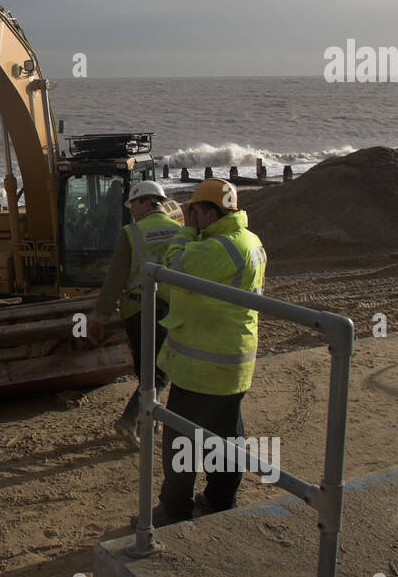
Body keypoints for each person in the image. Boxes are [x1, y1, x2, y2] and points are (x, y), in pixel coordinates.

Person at [152, 177, 267, 526]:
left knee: (180, 442)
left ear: (208, 212)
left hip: (202, 365)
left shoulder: (216, 249)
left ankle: (175, 510)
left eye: (194, 211)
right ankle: (219, 500)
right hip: (235, 362)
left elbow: (172, 264)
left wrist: (185, 232)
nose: (190, 216)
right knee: (226, 436)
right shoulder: (250, 240)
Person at [88, 180, 182, 447]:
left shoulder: (132, 233)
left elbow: (115, 279)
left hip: (135, 311)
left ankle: (140, 420)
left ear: (149, 203)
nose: (132, 211)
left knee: (151, 371)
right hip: (167, 309)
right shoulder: (180, 232)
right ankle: (138, 421)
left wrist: (99, 318)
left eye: (135, 205)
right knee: (158, 370)